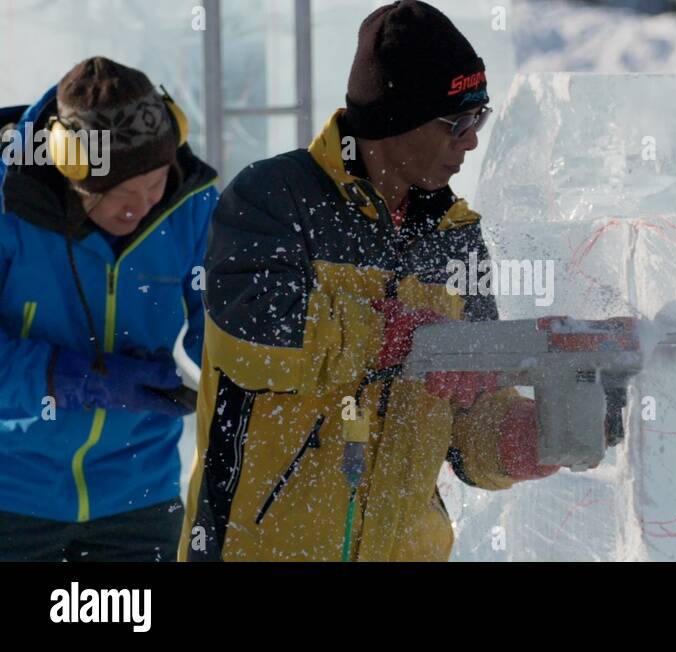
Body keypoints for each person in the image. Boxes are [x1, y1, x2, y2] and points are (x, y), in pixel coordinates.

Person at [181, 0, 561, 562]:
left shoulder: (456, 238)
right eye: (458, 122)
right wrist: (396, 338)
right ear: (396, 120)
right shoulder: (278, 198)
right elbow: (252, 339)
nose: (472, 140)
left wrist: (512, 440)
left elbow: (467, 412)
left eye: (479, 118)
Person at [0, 57, 219, 561]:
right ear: (70, 167)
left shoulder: (193, 206)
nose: (142, 207)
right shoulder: (10, 213)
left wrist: (202, 367)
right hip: (14, 495)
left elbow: (224, 318)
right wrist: (73, 378)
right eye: (121, 194)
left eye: (155, 184)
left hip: (141, 496)